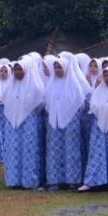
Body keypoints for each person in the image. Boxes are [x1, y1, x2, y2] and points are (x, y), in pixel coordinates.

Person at [1, 55, 45, 190]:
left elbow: (40, 105)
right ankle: (13, 180)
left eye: (21, 70)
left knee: (29, 150)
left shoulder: (36, 87)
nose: (18, 72)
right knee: (13, 150)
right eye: (16, 70)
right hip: (12, 123)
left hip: (29, 123)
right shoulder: (10, 86)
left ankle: (29, 180)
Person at [44, 52, 87, 189]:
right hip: (54, 122)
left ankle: (72, 181)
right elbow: (47, 102)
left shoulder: (74, 85)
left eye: (60, 68)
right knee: (54, 150)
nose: (57, 70)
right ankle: (54, 180)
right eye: (55, 68)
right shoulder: (51, 84)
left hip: (71, 122)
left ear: (66, 68)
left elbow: (80, 103)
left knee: (71, 150)